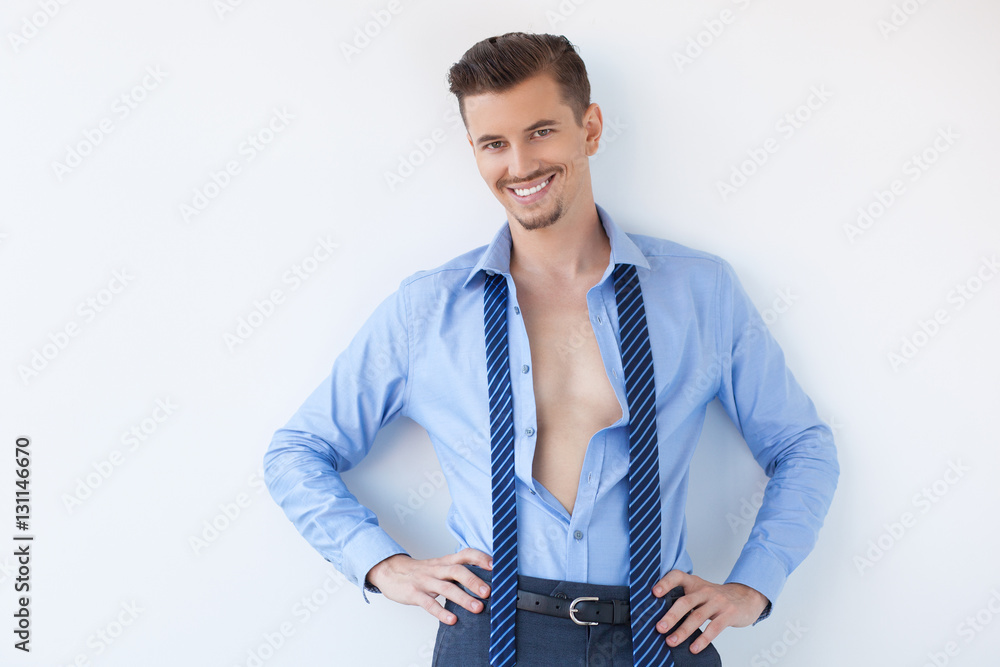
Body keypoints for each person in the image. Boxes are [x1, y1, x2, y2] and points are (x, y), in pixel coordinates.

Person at [263, 32, 839, 666]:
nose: (519, 165)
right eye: (493, 144)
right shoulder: (424, 311)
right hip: (490, 633)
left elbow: (801, 445)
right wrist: (380, 563)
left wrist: (754, 586)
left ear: (589, 128)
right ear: (475, 152)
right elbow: (297, 452)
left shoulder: (700, 293)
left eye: (541, 132)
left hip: (663, 633)